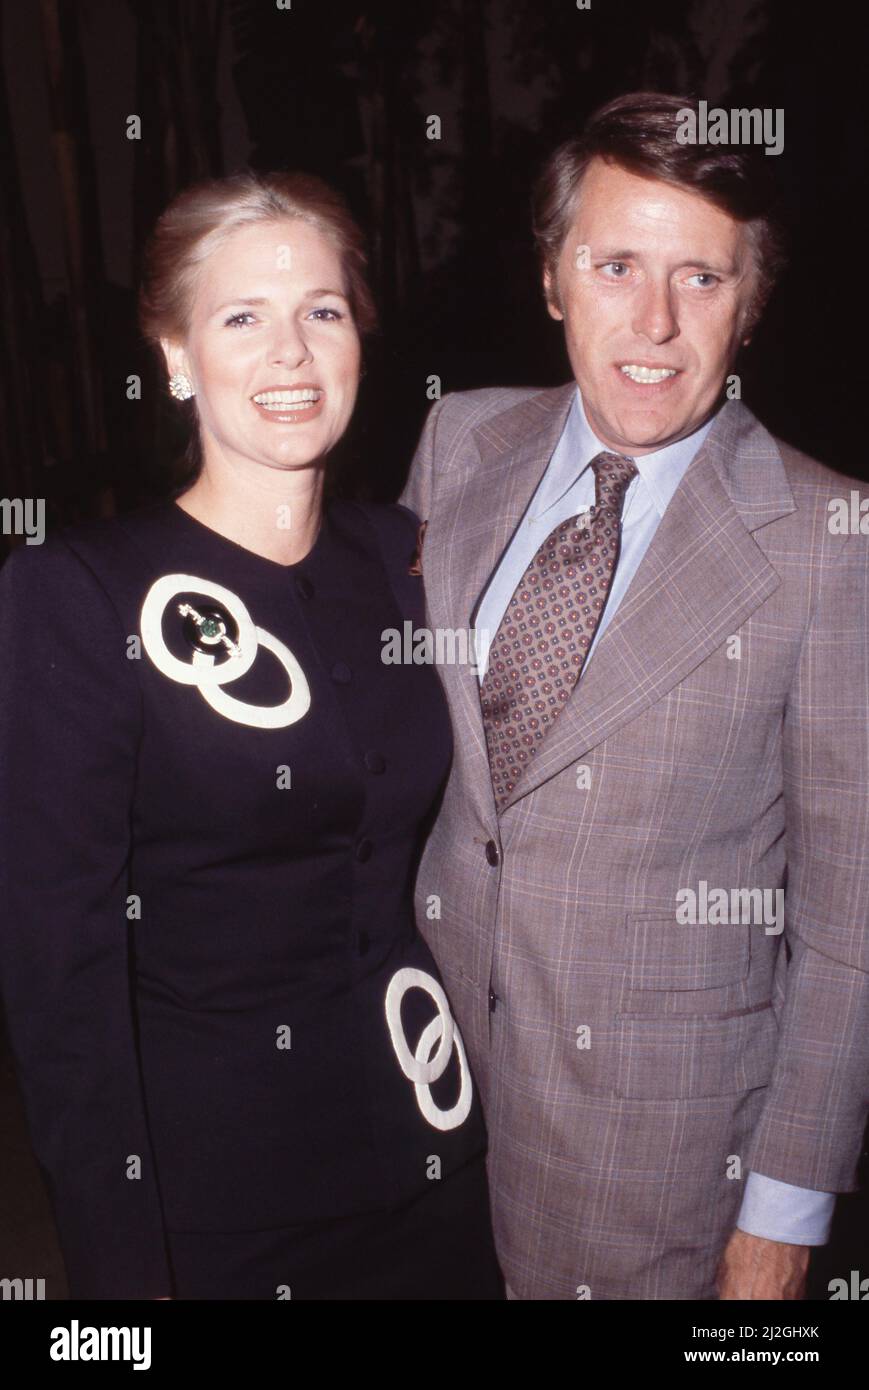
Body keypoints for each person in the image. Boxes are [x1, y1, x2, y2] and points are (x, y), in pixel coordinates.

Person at [0, 170, 504, 1300]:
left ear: (359, 342)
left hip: (441, 1160)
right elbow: (58, 978)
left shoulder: (412, 559)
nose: (290, 353)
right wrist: (122, 1272)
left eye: (321, 311)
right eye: (242, 317)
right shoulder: (73, 595)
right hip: (218, 1207)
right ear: (174, 355)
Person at [400, 91, 869, 1300]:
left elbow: (848, 915)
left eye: (701, 279)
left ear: (748, 303)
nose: (653, 322)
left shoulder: (828, 538)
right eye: (613, 265)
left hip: (658, 1161)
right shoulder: (460, 443)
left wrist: (780, 1214)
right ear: (553, 277)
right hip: (419, 1093)